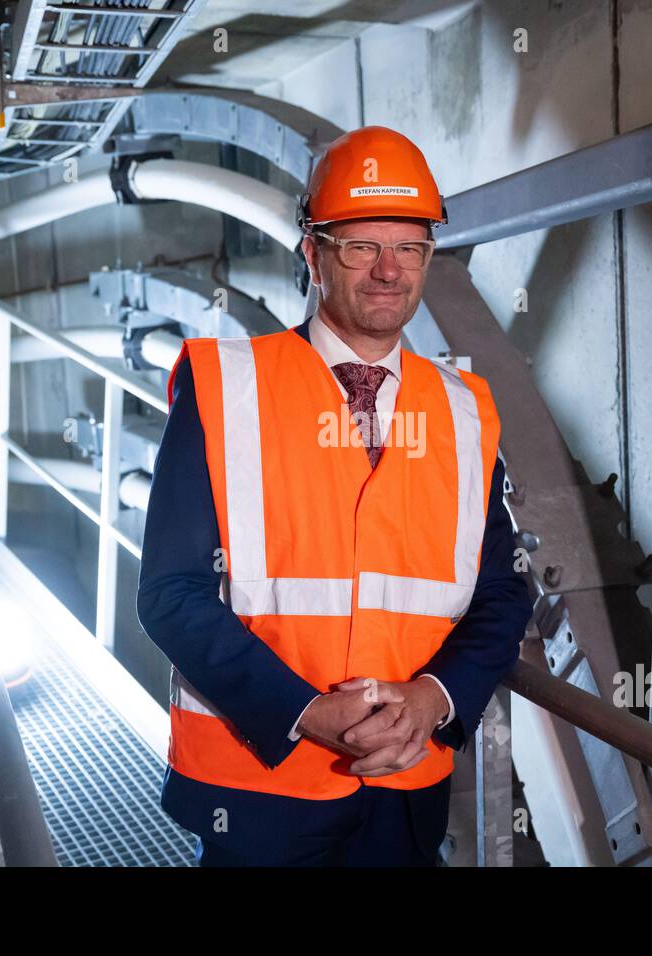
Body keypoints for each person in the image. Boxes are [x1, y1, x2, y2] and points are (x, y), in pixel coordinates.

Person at [136, 125, 533, 866]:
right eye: (361, 246)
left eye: (409, 247)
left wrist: (432, 701)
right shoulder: (224, 388)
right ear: (313, 255)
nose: (389, 270)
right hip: (256, 783)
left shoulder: (464, 407)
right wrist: (303, 712)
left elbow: (504, 592)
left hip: (404, 784)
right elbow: (170, 593)